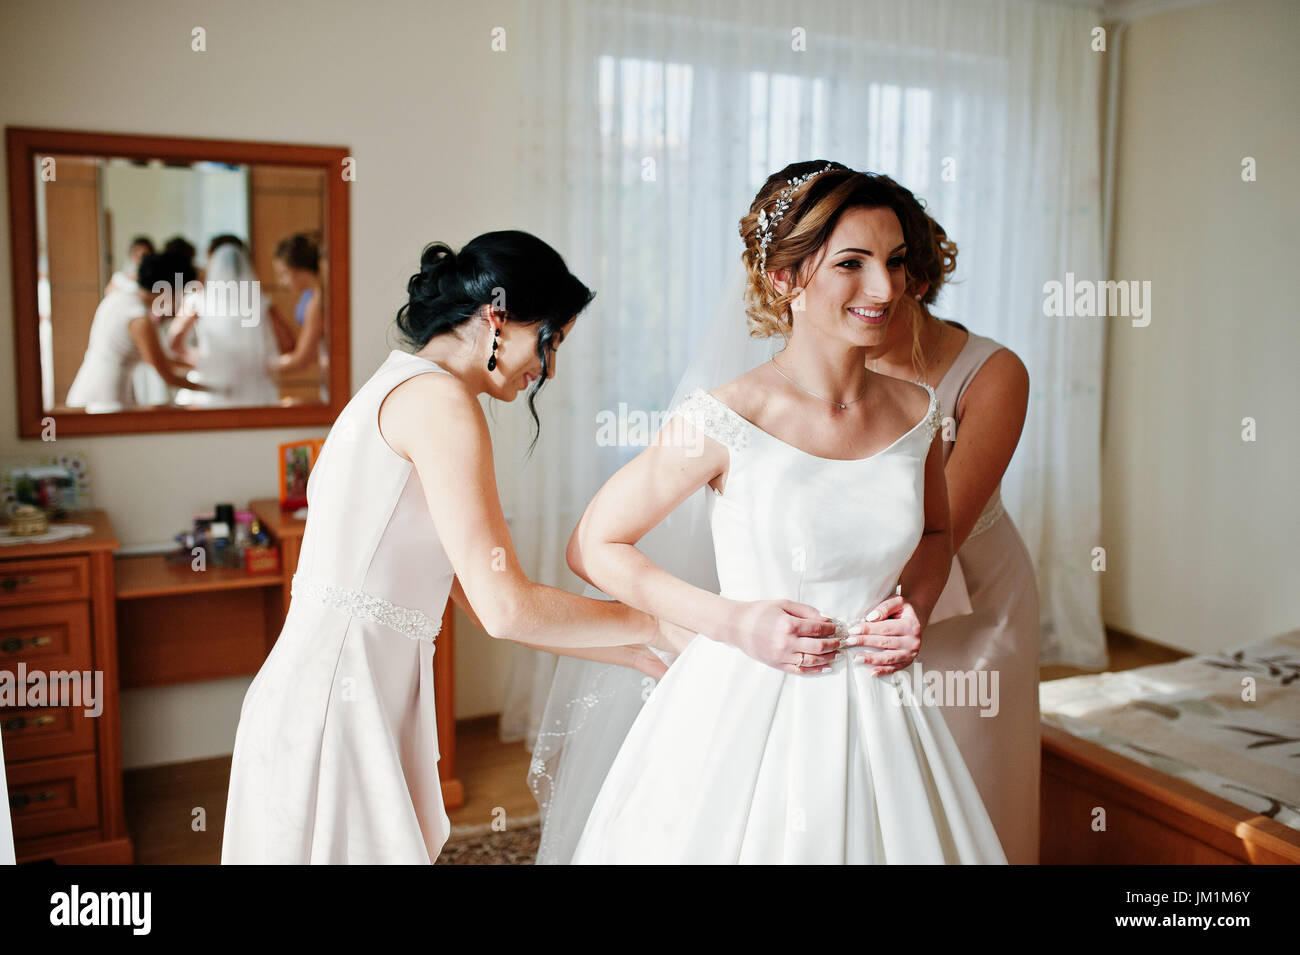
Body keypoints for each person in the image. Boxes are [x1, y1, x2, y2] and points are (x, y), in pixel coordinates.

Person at [220, 230, 839, 864]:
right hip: (339, 709)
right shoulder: (441, 402)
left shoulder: (399, 382)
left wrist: (633, 650)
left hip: (322, 696)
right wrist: (661, 620)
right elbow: (506, 607)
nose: (545, 369)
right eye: (550, 341)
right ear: (498, 315)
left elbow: (468, 593)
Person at [557, 162, 1005, 863]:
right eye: (851, 264)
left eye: (893, 263)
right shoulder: (724, 416)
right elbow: (594, 543)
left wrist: (912, 605)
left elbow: (938, 532)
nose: (884, 289)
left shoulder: (918, 412)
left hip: (883, 710)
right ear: (785, 279)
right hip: (747, 697)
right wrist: (733, 620)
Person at [865, 178, 1041, 864]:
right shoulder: (831, 357)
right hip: (865, 598)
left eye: (894, 262)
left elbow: (950, 520)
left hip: (975, 606)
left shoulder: (993, 372)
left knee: (972, 779)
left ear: (918, 267)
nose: (875, 287)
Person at [65, 250, 211, 410]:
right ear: (165, 291)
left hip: (88, 388)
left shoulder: (117, 298)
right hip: (106, 397)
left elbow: (159, 360)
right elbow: (166, 375)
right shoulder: (139, 318)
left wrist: (198, 367)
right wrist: (212, 390)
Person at [167, 237, 281, 407]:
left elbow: (173, 342)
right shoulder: (261, 302)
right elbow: (287, 342)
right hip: (253, 385)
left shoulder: (198, 300)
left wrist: (201, 357)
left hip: (212, 384)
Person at [271, 232, 325, 377]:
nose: (282, 282)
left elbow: (301, 358)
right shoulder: (311, 296)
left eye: (284, 274)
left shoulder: (317, 301)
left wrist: (263, 367)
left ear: (298, 269)